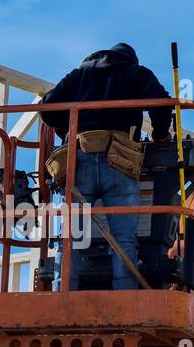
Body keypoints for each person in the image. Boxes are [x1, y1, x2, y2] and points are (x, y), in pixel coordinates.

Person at [39, 43, 173, 290]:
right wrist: (161, 136)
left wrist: (67, 126)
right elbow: (162, 104)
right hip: (119, 162)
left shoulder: (78, 75)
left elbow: (48, 108)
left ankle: (61, 295)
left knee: (70, 238)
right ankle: (125, 299)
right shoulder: (135, 73)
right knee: (123, 240)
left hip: (78, 163)